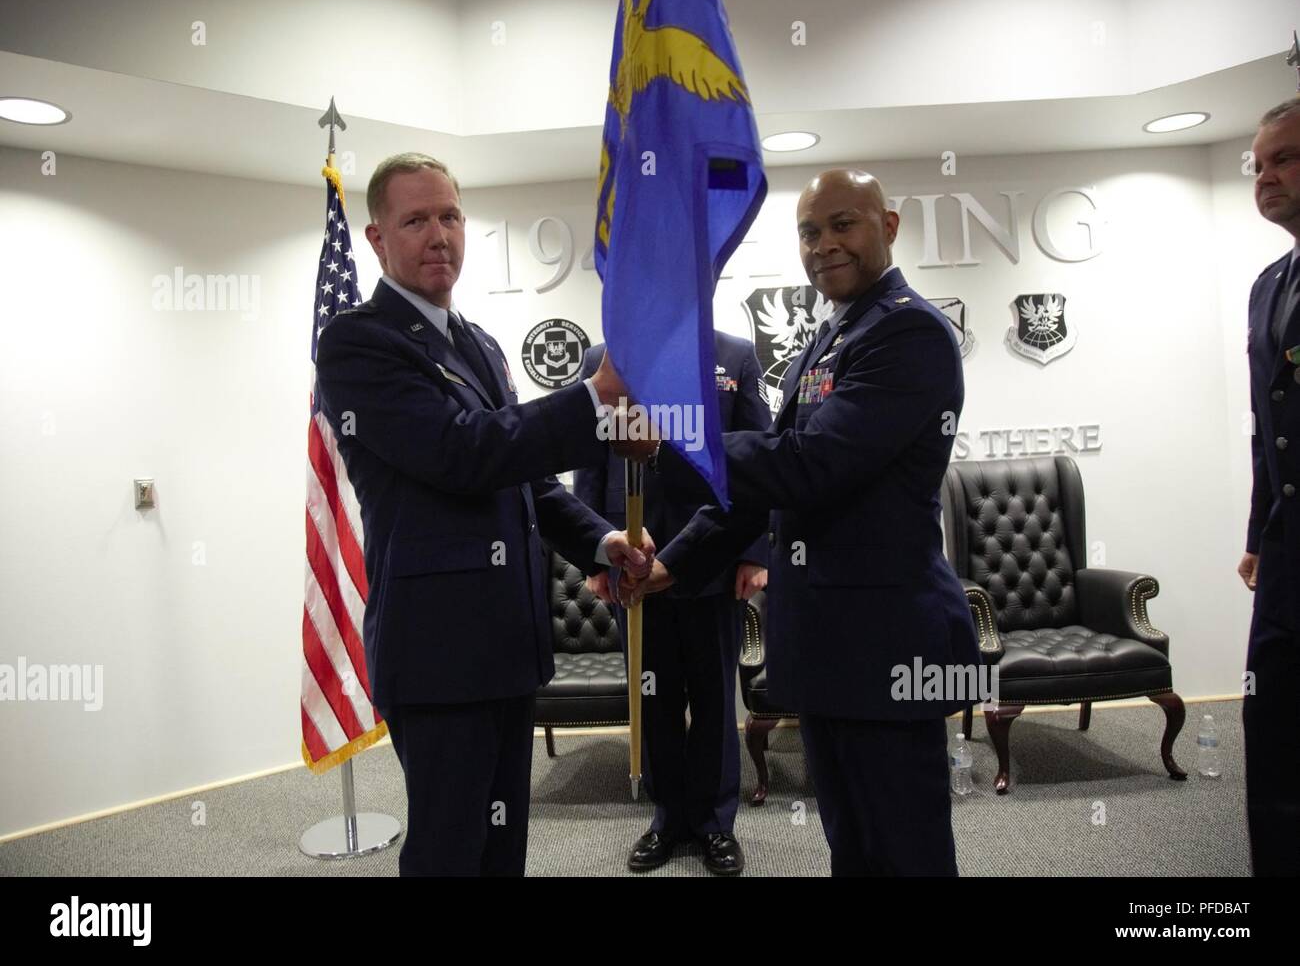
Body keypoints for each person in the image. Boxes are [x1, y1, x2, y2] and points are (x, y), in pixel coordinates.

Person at [616, 169, 981, 876]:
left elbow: (809, 462)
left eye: (843, 224)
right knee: (855, 846)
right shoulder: (830, 337)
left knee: (906, 851)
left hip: (890, 646)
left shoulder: (907, 331)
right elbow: (765, 492)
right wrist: (674, 563)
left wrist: (671, 442)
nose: (824, 245)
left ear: (890, 225)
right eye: (810, 232)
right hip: (830, 646)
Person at [314, 153, 652, 876]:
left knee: (501, 852)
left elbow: (523, 478)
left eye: (449, 215)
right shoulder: (356, 342)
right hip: (437, 654)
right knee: (448, 853)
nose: (438, 234)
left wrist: (603, 541)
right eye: (415, 220)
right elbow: (461, 452)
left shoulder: (479, 344)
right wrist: (594, 400)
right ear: (377, 238)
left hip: (507, 647)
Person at [575, 333, 770, 875]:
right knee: (653, 699)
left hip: (713, 556)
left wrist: (753, 553)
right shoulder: (604, 359)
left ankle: (714, 824)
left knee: (713, 701)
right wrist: (593, 559)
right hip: (631, 560)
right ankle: (666, 819)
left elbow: (757, 457)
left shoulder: (734, 355)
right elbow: (589, 462)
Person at [1236, 96, 1300, 877]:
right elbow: (1267, 427)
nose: (1266, 177)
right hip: (1285, 559)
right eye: (1257, 166)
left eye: (1286, 158)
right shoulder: (1269, 284)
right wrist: (1257, 535)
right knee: (1276, 738)